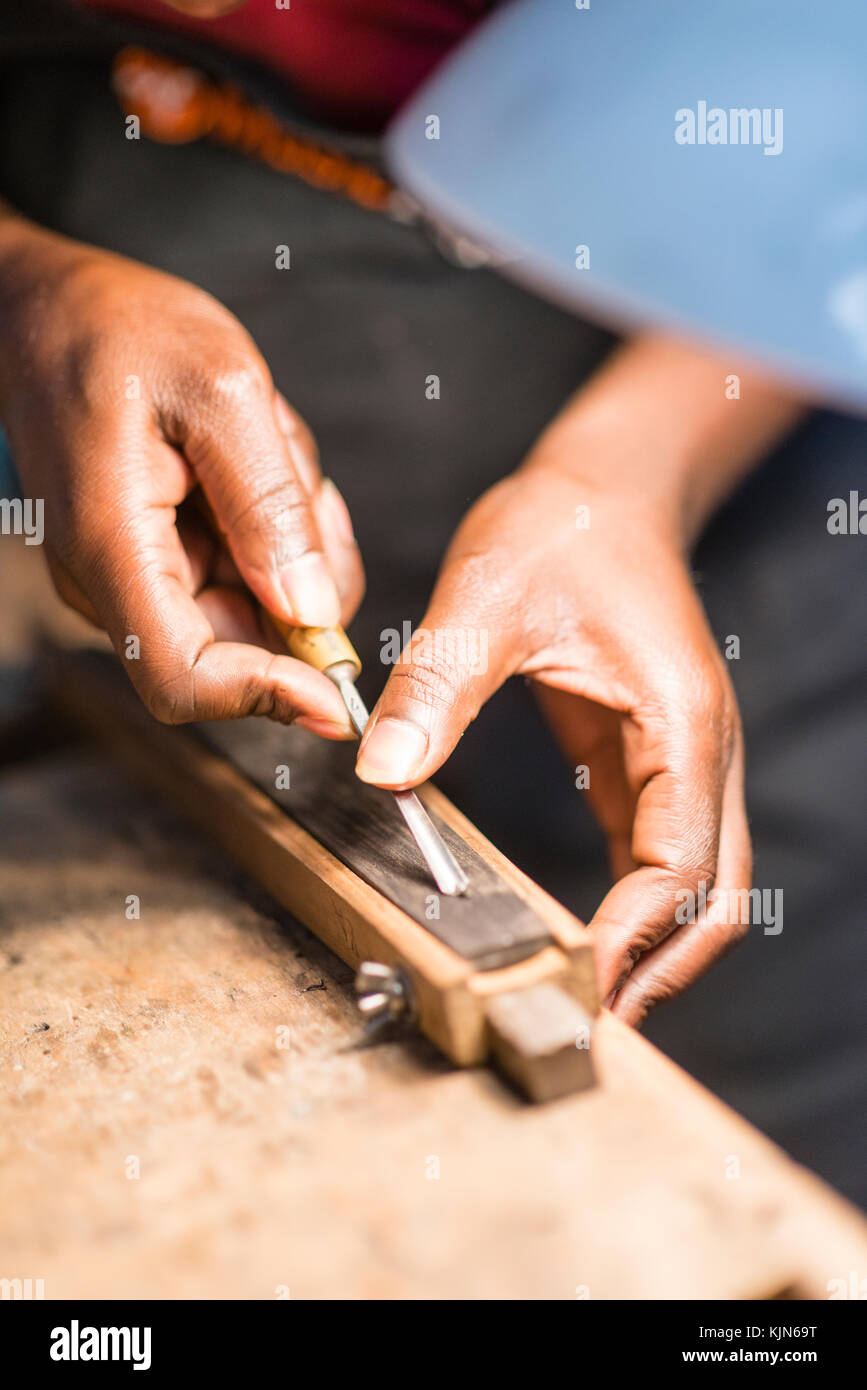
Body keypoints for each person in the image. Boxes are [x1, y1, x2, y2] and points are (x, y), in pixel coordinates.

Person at [0, 0, 864, 1202]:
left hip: (732, 437)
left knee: (728, 1172)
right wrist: (24, 291)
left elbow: (834, 137)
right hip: (125, 236)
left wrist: (621, 476)